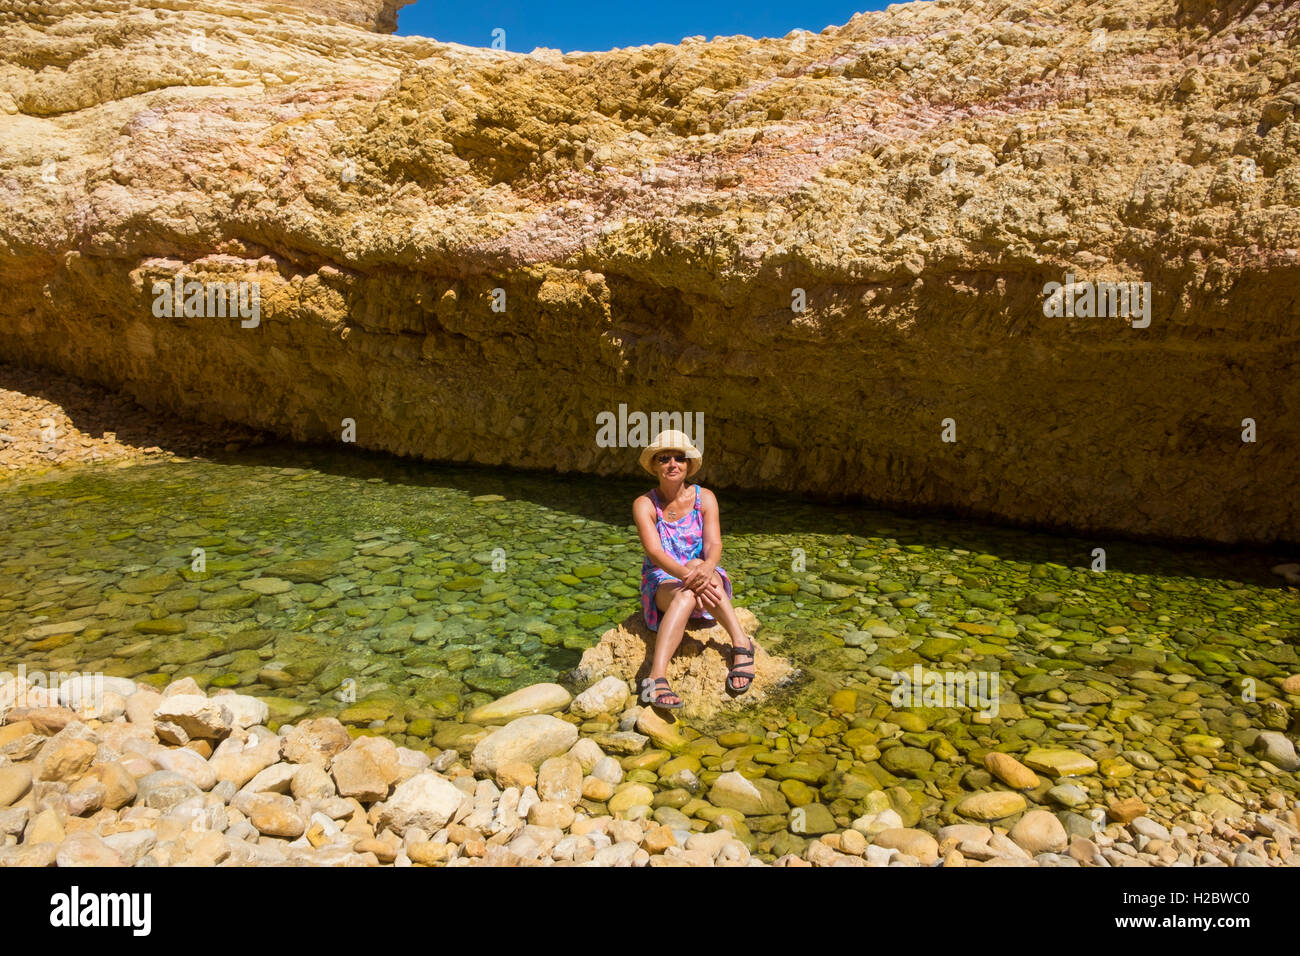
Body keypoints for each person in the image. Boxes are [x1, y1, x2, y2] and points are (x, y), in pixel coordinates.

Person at [633, 428, 756, 709]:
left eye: (679, 458)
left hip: (704, 576)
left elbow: (714, 543)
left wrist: (707, 567)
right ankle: (660, 675)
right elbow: (655, 552)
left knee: (699, 565)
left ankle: (738, 643)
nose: (672, 464)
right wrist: (689, 576)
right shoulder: (644, 504)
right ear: (655, 466)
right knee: (687, 591)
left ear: (688, 464)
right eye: (664, 458)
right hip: (664, 581)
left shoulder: (705, 498)